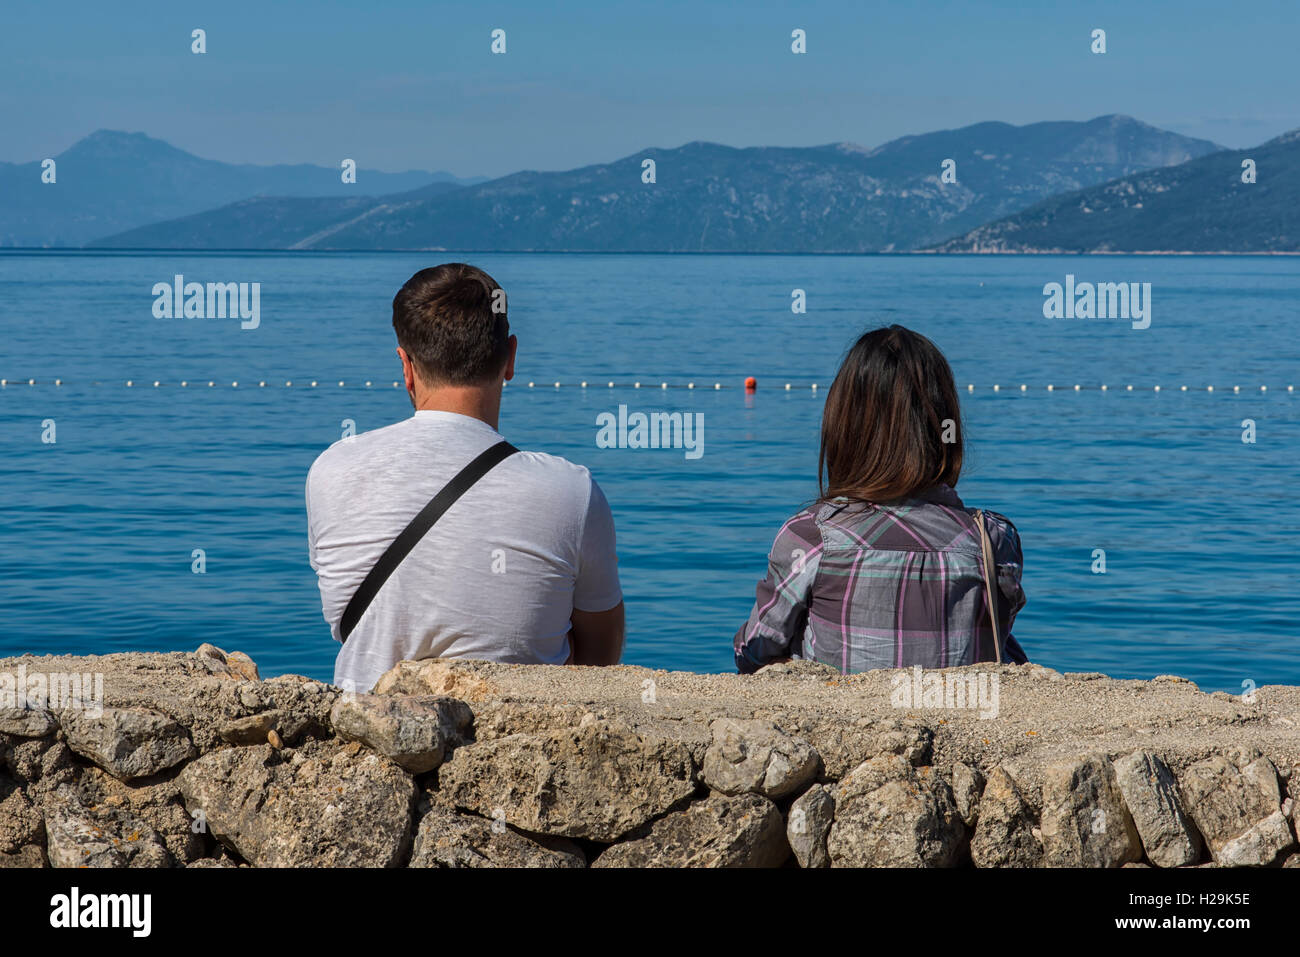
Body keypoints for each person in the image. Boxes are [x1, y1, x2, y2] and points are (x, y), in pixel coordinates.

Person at [307, 263, 624, 693]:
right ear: (510, 357)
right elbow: (600, 660)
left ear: (406, 366)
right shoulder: (572, 492)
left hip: (367, 740)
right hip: (522, 747)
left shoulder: (331, 471)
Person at [734, 325, 1027, 674]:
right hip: (964, 717)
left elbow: (753, 651)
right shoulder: (993, 539)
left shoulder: (812, 536)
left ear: (845, 425)